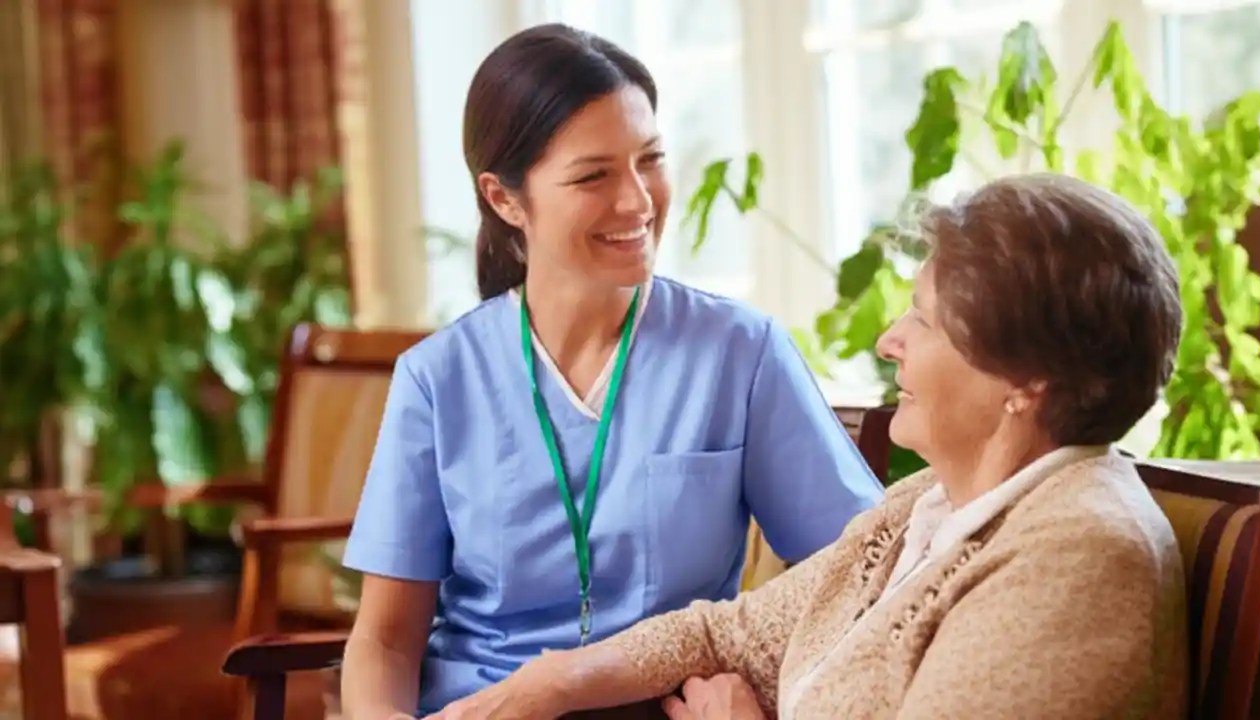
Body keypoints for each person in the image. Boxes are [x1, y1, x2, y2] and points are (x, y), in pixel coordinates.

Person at [427, 172, 1191, 720]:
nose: (891, 340)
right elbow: (725, 631)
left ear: (1024, 380)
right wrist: (550, 684)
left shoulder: (1077, 553)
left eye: (922, 322)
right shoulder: (923, 508)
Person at [337, 23, 885, 719]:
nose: (638, 200)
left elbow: (858, 571)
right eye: (594, 175)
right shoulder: (437, 379)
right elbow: (384, 641)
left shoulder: (739, 352)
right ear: (505, 199)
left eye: (650, 159)